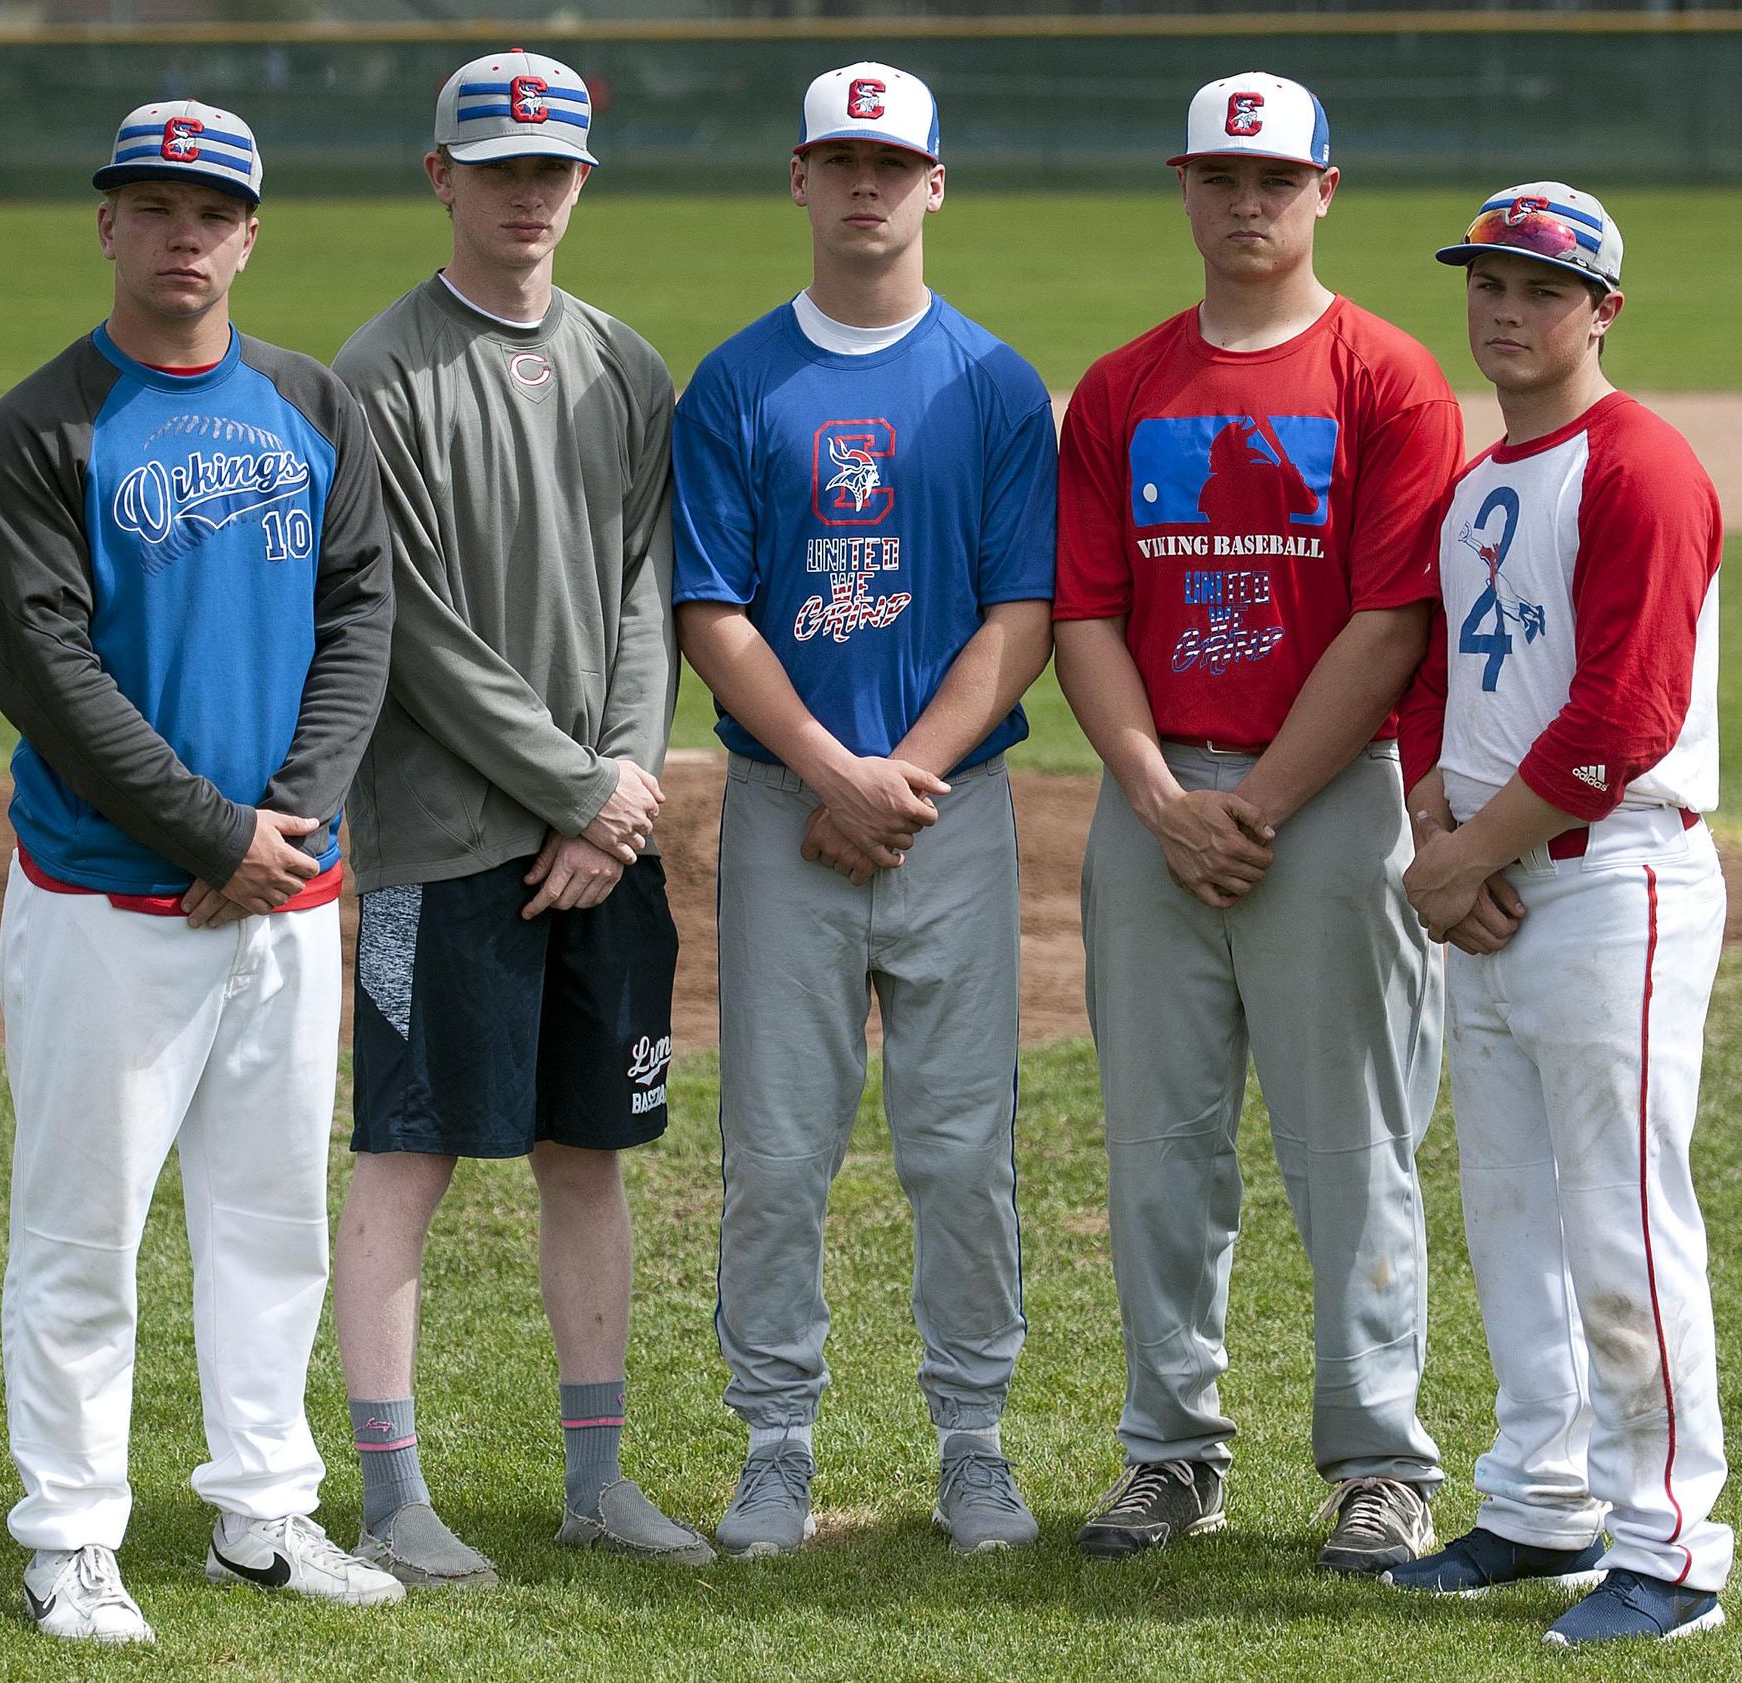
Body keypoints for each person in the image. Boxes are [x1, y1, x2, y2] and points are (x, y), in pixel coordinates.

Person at [0, 99, 401, 1644]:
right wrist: (213, 835)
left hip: (290, 891)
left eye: (212, 211)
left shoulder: (311, 405)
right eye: (153, 207)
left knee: (270, 1219)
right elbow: (49, 673)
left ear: (251, 235)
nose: (183, 234)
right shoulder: (42, 427)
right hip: (103, 897)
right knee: (84, 1229)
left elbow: (362, 621)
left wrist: (280, 823)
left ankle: (263, 1518)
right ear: (107, 224)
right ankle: (71, 1538)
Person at [1051, 71, 1459, 1572]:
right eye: (1222, 180)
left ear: (1325, 194)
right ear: (1183, 188)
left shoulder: (1387, 376)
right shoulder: (1122, 387)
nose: (1247, 205)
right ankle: (1173, 1452)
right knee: (1160, 1149)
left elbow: (1391, 617)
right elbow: (1086, 610)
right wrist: (1162, 796)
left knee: (1353, 1148)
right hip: (1154, 802)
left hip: (1328, 807)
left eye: (1275, 182)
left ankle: (1378, 1460)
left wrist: (1262, 801)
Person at [328, 49, 708, 1583]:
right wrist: (574, 786)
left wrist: (614, 797)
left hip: (596, 833)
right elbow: (410, 633)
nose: (529, 195)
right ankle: (389, 1496)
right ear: (442, 180)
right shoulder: (379, 375)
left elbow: (643, 594)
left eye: (553, 170)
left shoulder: (626, 365)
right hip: (442, 839)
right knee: (408, 1155)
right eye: (498, 169)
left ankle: (597, 1480)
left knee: (589, 1156)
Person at [673, 61, 1058, 1560]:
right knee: (777, 1151)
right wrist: (833, 774)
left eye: (893, 162)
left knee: (960, 1150)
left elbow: (1022, 608)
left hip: (951, 814)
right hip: (784, 809)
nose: (866, 184)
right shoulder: (737, 380)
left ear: (936, 183)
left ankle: (975, 1441)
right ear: (798, 178)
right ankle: (775, 1440)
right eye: (839, 158)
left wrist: (904, 779)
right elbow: (714, 608)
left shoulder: (993, 382)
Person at [1388, 182, 1732, 1647]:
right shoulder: (1480, 483)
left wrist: (1469, 861)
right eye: (1487, 283)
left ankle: (1674, 1553)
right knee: (1514, 1214)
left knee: (1622, 1228)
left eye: (1539, 286)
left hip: (1613, 885)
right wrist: (1434, 830)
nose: (1505, 309)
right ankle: (1541, 1504)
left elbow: (1626, 719)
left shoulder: (1642, 466)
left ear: (1603, 309)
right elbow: (1429, 683)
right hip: (1499, 882)